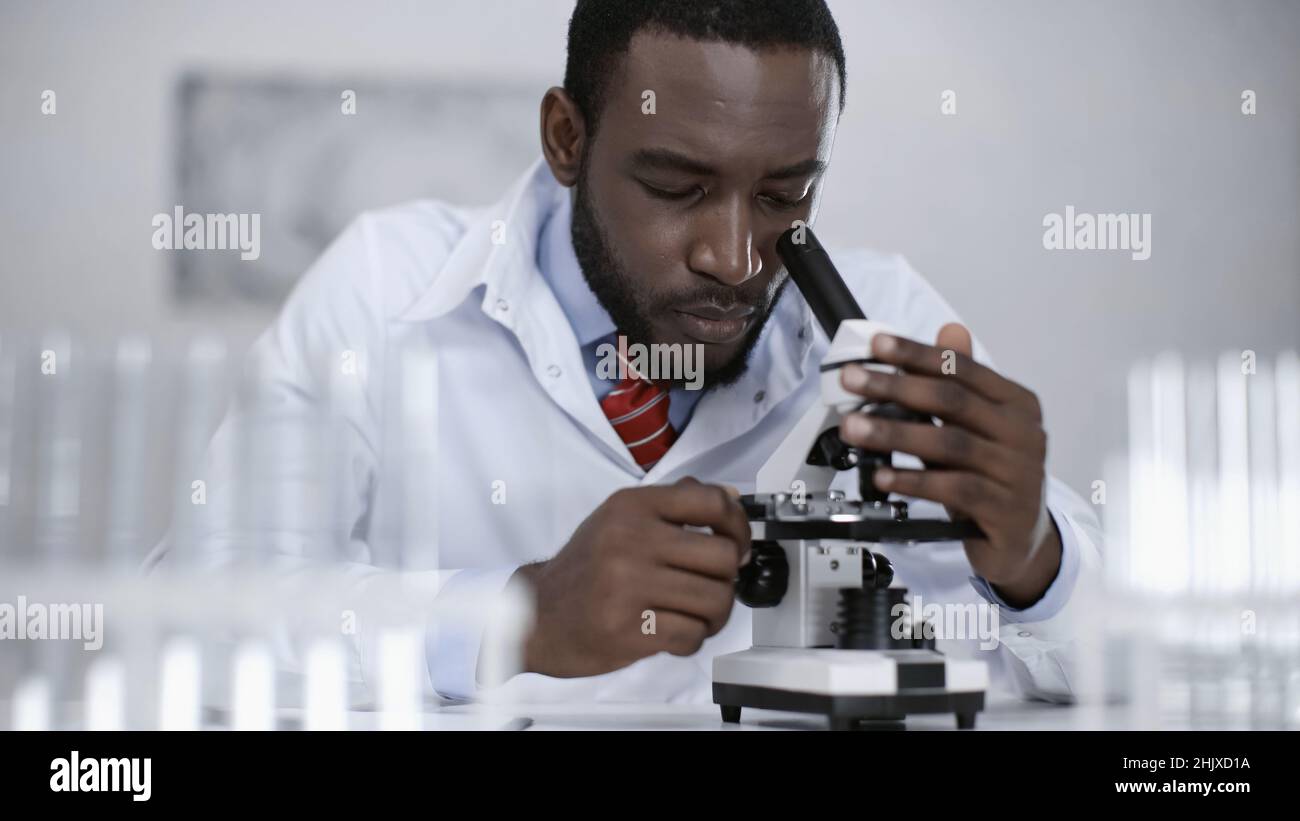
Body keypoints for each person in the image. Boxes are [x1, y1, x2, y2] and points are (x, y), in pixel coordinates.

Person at [156, 0, 1102, 706]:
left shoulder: (884, 312)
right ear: (567, 137)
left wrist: (1033, 564)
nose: (734, 258)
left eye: (783, 197)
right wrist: (516, 618)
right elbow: (188, 618)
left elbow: (1122, 669)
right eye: (679, 187)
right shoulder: (382, 287)